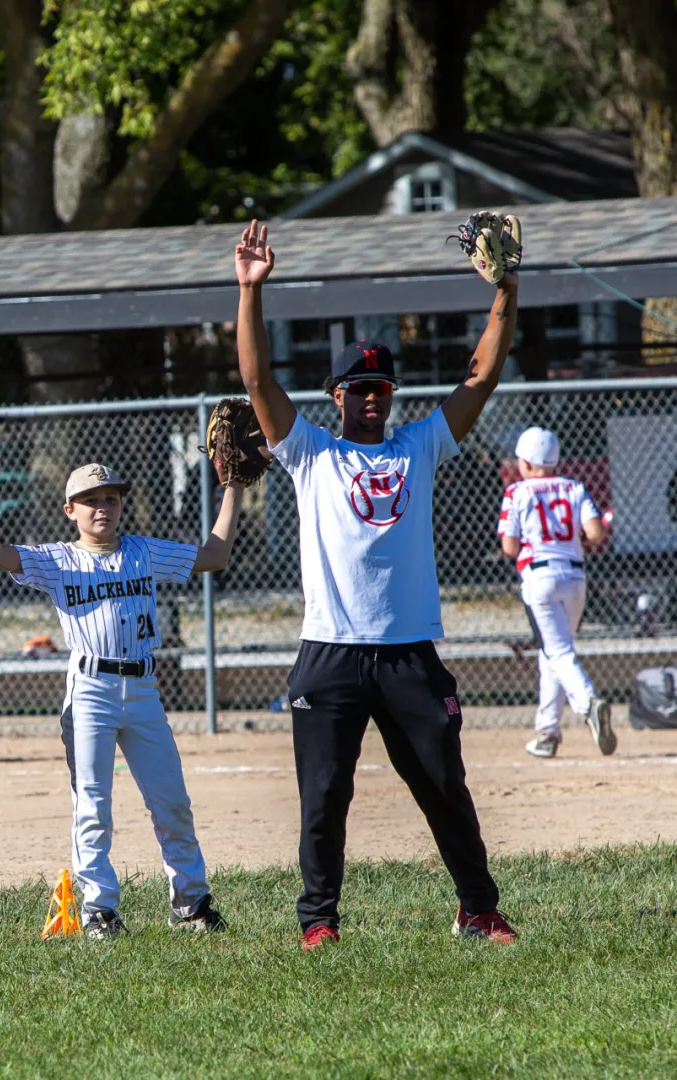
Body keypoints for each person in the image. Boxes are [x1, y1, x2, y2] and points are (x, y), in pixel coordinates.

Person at [234, 220, 520, 949]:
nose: (371, 398)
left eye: (381, 387)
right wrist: (249, 292)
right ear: (334, 395)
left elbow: (480, 377)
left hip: (407, 652)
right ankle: (319, 922)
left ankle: (478, 909)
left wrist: (505, 291)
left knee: (444, 787)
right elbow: (257, 380)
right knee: (324, 797)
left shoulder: (419, 444)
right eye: (358, 388)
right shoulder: (310, 454)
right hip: (329, 652)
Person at [0, 438, 246, 938]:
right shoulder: (56, 559)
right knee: (93, 805)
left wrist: (232, 487)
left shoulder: (142, 551)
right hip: (90, 688)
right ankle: (100, 909)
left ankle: (190, 903)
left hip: (143, 689)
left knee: (172, 802)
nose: (103, 507)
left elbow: (215, 554)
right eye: (91, 500)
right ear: (70, 510)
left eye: (111, 498)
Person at [498, 426, 615, 759]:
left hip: (539, 577)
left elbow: (509, 546)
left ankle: (588, 703)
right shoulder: (574, 487)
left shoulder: (517, 492)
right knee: (554, 652)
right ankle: (547, 732)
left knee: (558, 652)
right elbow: (595, 534)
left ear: (527, 463)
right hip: (575, 577)